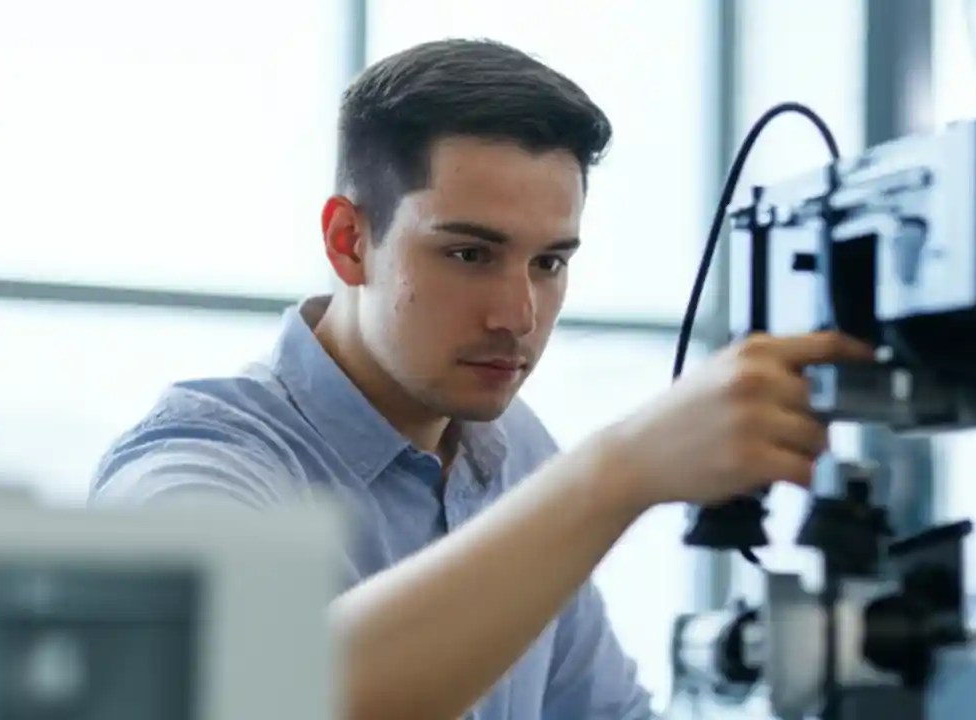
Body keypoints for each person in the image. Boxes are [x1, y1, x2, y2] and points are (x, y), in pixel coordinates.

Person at [91, 38, 872, 720]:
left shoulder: (517, 455)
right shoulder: (196, 462)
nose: (518, 315)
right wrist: (621, 471)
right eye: (470, 254)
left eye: (550, 262)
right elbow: (264, 697)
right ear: (348, 242)